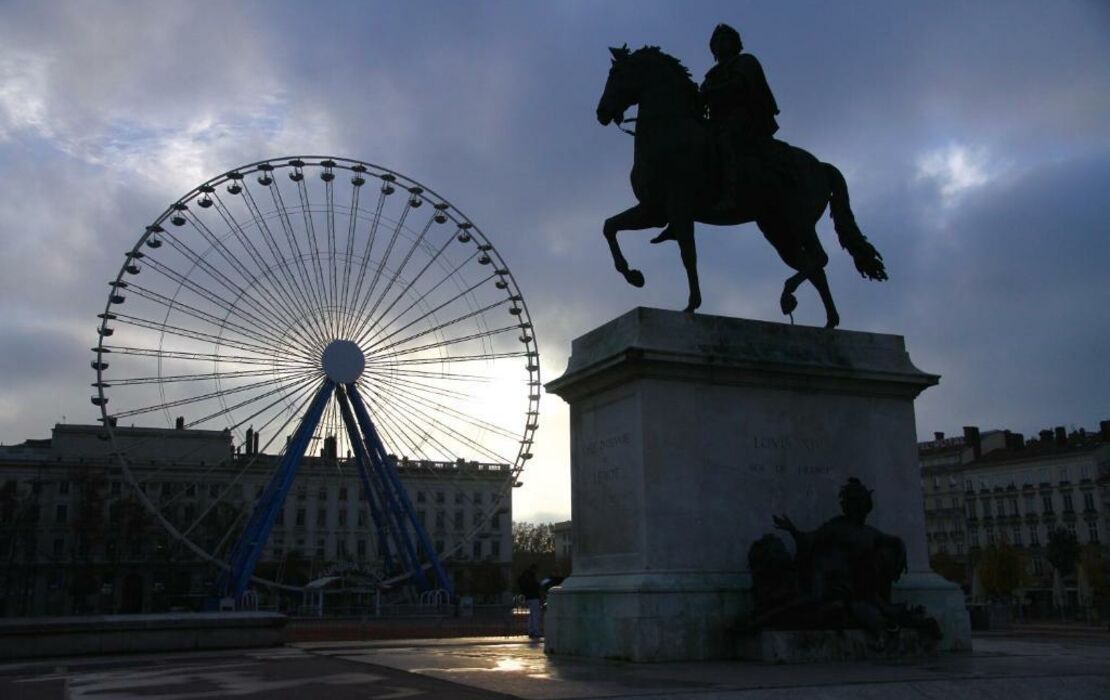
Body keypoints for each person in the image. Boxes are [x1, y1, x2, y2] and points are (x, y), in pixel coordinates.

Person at [700, 23, 781, 211]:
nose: (720, 44)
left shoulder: (745, 61)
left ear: (734, 44)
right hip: (717, 121)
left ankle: (731, 195)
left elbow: (738, 86)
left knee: (725, 141)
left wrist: (709, 94)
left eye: (724, 39)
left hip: (745, 117)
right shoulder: (710, 76)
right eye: (716, 41)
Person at [517, 563, 542, 639]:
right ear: (534, 569)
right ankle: (536, 631)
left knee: (531, 615)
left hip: (528, 597)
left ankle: (530, 631)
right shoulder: (531, 576)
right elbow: (534, 585)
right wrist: (538, 585)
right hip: (534, 597)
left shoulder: (524, 575)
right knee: (535, 615)